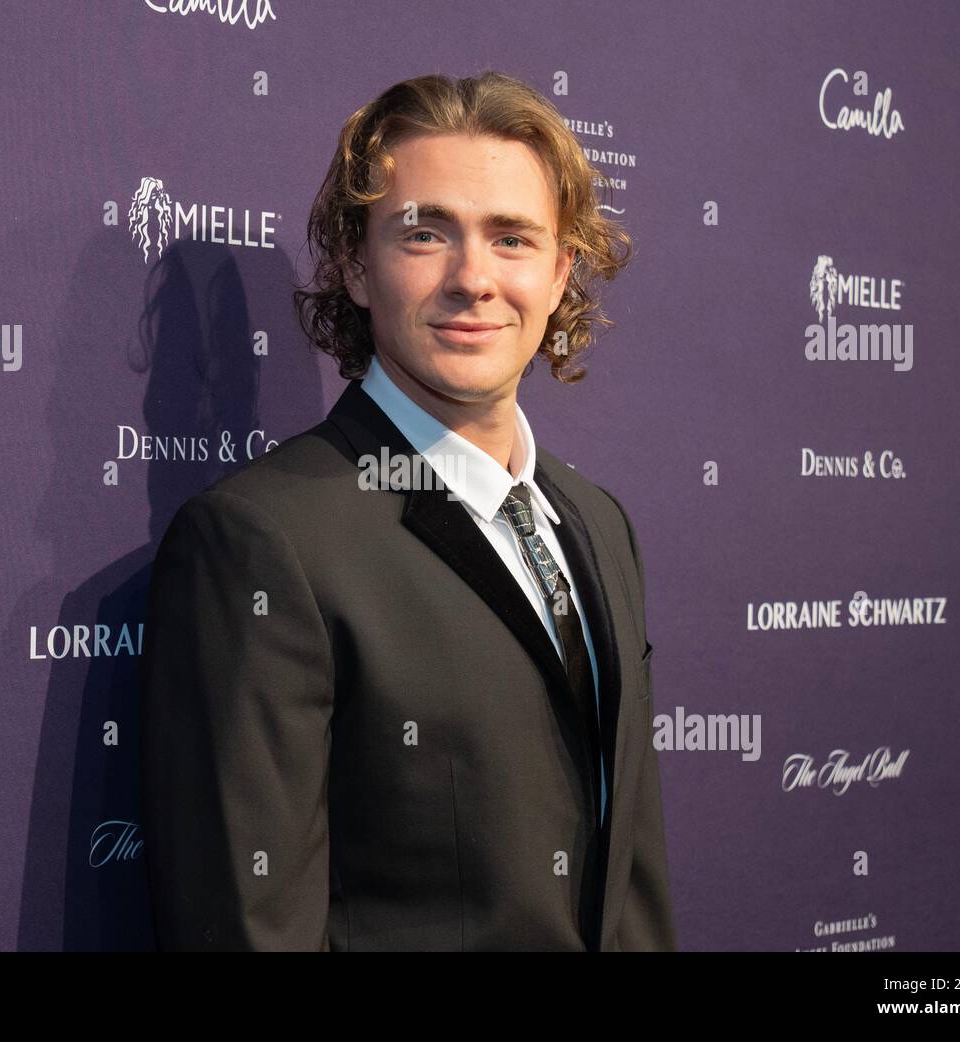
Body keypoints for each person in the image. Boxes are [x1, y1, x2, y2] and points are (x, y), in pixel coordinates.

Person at [139, 70, 675, 951]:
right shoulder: (263, 543)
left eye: (512, 239)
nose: (474, 278)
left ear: (560, 271)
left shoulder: (597, 523)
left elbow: (633, 885)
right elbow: (246, 929)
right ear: (354, 264)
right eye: (425, 234)